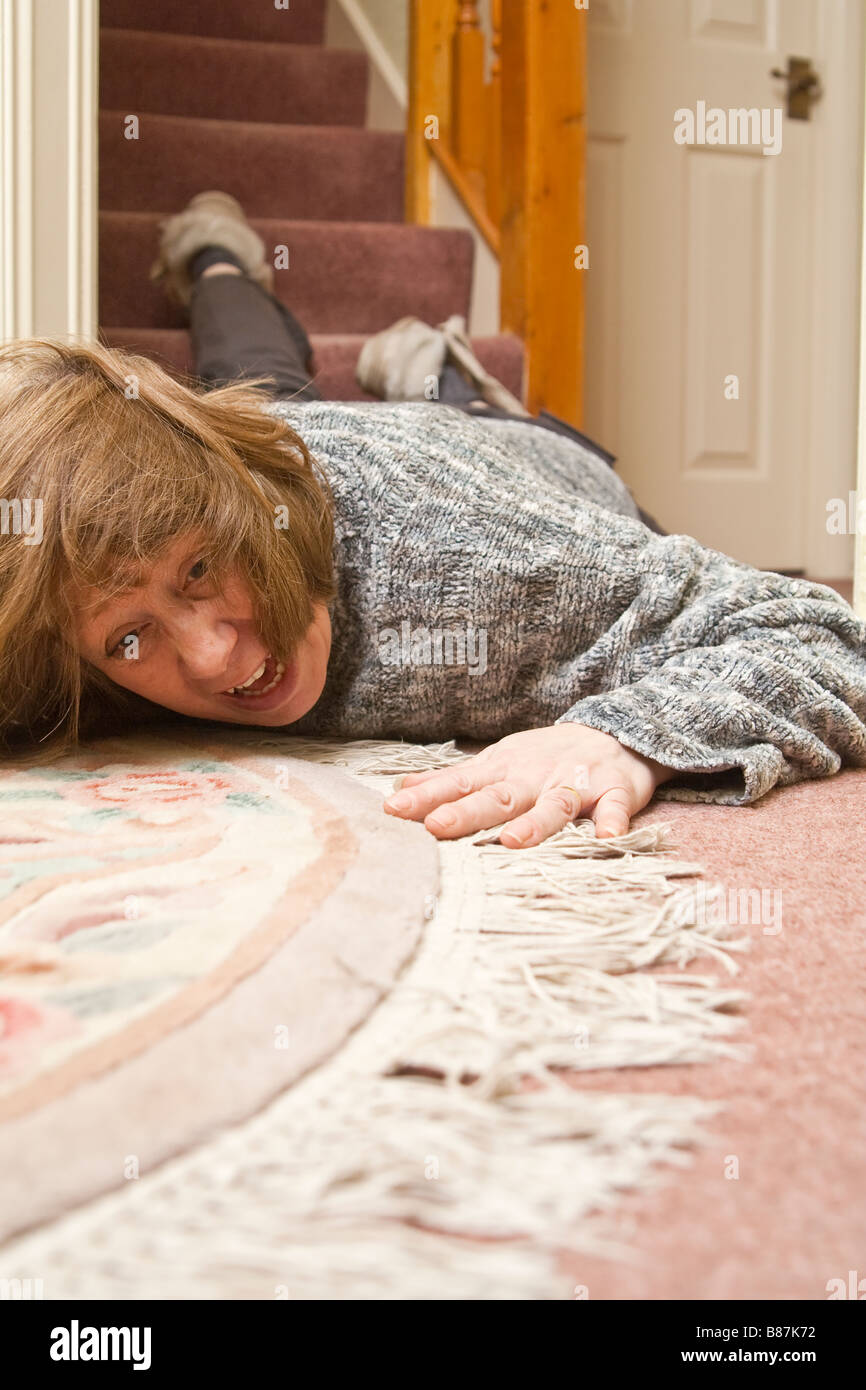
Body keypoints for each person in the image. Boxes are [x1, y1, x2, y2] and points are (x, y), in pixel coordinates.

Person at [0, 192, 863, 851]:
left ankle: (439, 368)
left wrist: (619, 739)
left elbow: (820, 634)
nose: (213, 655)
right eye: (129, 638)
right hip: (272, 447)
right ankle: (218, 259)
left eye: (198, 570)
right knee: (252, 379)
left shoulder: (488, 557)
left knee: (373, 401)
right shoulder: (75, 607)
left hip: (502, 457)